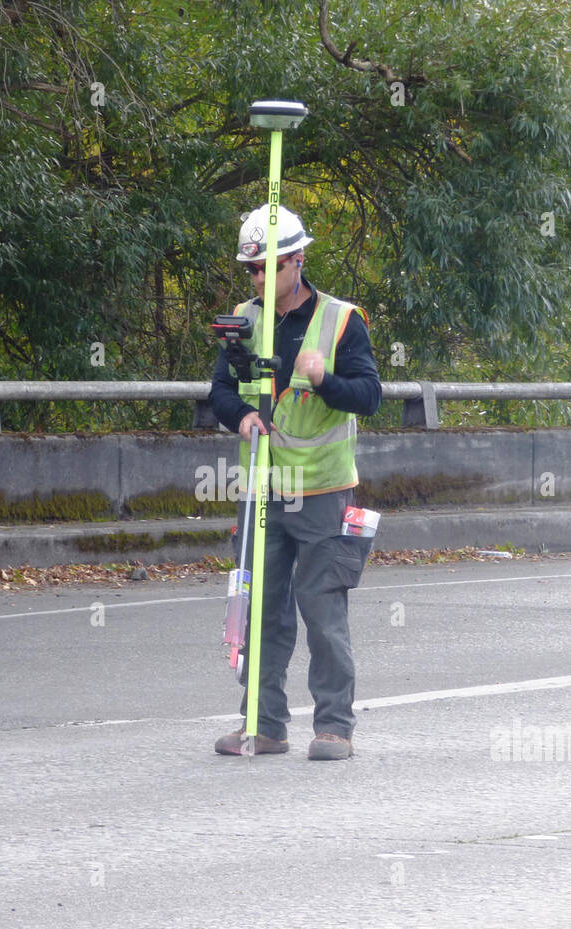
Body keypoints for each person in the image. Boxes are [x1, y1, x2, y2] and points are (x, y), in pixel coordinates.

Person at [208, 204, 381, 760]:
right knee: (260, 610)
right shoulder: (244, 318)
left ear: (298, 261)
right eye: (251, 270)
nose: (258, 279)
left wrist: (323, 378)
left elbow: (369, 396)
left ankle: (334, 728)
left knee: (322, 608)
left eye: (268, 267)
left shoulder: (340, 320)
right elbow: (218, 391)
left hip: (324, 493)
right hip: (262, 489)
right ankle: (263, 724)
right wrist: (240, 415)